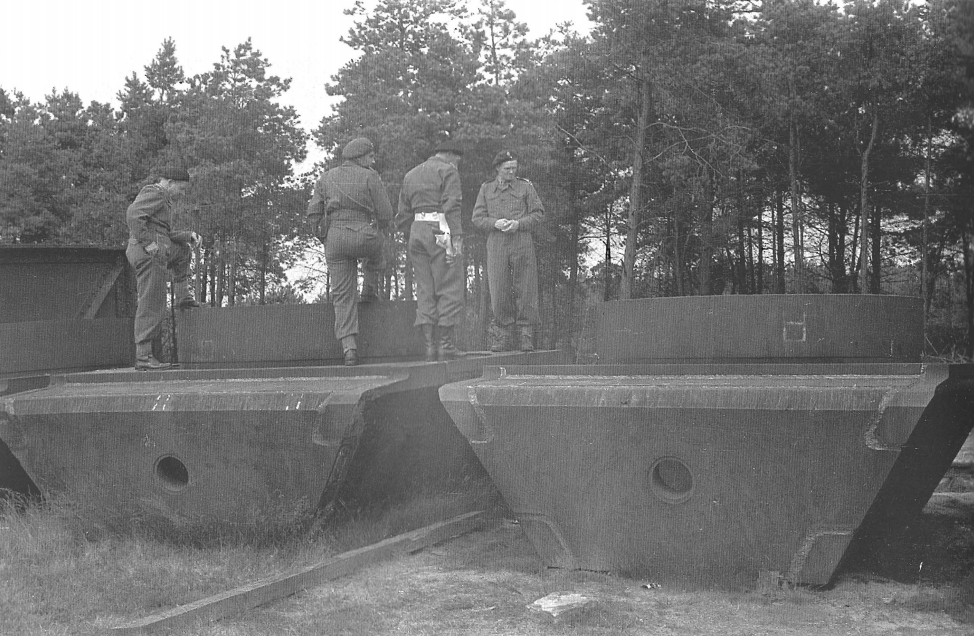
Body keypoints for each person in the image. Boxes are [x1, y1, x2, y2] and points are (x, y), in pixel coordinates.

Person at [307, 137, 393, 366]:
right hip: (363, 232)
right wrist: (377, 229)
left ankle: (349, 349)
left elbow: (314, 212)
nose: (372, 161)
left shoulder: (326, 177)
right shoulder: (370, 176)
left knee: (342, 294)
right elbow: (386, 213)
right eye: (370, 156)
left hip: (335, 237)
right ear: (360, 157)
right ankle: (369, 289)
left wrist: (324, 237)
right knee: (378, 249)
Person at [125, 165, 201, 371]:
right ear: (170, 183)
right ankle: (143, 356)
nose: (181, 193)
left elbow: (162, 233)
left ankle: (182, 296)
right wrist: (149, 245)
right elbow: (133, 215)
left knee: (183, 250)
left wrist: (187, 235)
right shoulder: (156, 192)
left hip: (160, 249)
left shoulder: (162, 199)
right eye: (181, 189)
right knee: (152, 302)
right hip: (148, 253)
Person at [395, 140, 465, 361]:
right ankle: (445, 345)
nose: (458, 162)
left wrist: (413, 233)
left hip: (417, 230)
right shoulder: (449, 171)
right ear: (450, 155)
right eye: (457, 158)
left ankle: (429, 347)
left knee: (425, 288)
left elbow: (402, 213)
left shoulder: (411, 174)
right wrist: (456, 238)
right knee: (449, 284)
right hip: (441, 227)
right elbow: (452, 206)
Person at [471, 150, 544, 352]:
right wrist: (494, 223)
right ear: (497, 168)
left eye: (514, 168)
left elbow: (538, 213)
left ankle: (526, 334)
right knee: (499, 288)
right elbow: (477, 218)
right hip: (497, 243)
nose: (512, 172)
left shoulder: (525, 186)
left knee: (526, 287)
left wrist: (519, 224)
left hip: (522, 240)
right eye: (507, 168)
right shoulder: (486, 189)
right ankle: (503, 335)